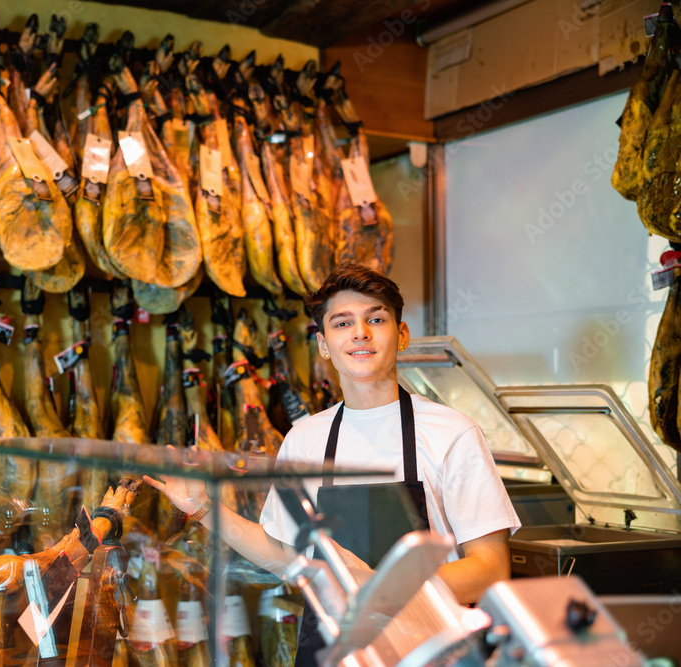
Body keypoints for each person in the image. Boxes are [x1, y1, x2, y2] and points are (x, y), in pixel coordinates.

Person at [145, 261, 521, 662]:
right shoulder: (305, 439)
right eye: (342, 323)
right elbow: (286, 558)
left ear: (402, 334)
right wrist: (202, 509)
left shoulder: (452, 432)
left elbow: (490, 568)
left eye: (376, 319)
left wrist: (383, 593)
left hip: (427, 651)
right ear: (323, 344)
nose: (360, 332)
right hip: (331, 649)